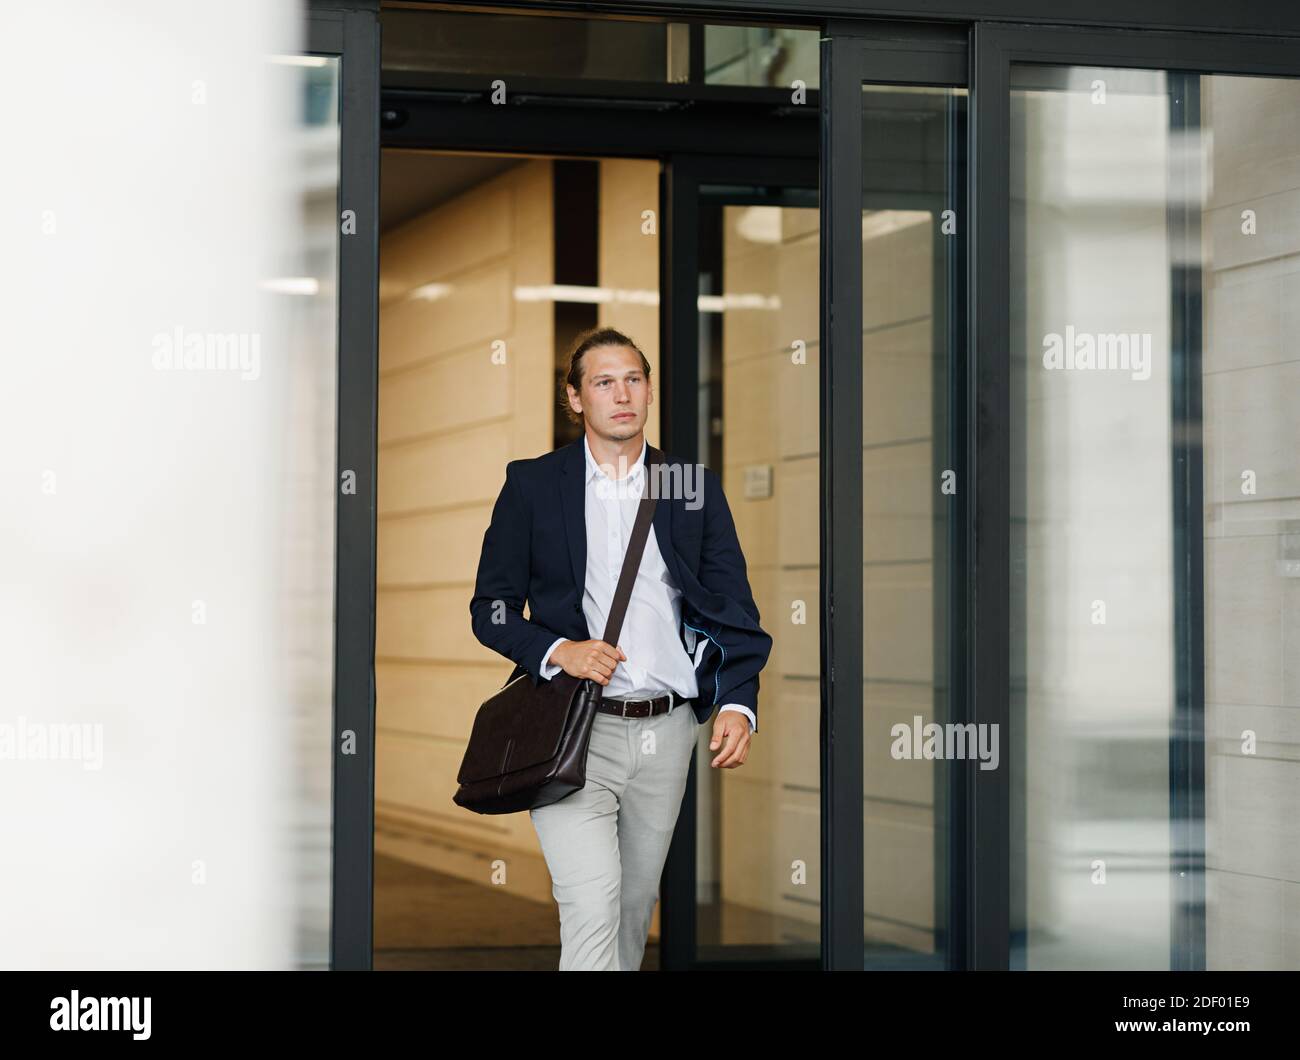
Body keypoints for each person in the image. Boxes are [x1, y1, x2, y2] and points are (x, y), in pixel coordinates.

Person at [469, 325, 771, 970]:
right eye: (603, 382)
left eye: (633, 379)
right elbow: (490, 610)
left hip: (665, 733)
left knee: (632, 907)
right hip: (575, 728)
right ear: (575, 398)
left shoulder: (692, 487)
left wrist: (738, 704)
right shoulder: (532, 485)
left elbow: (734, 607)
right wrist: (559, 649)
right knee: (593, 901)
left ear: (651, 390)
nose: (622, 394)